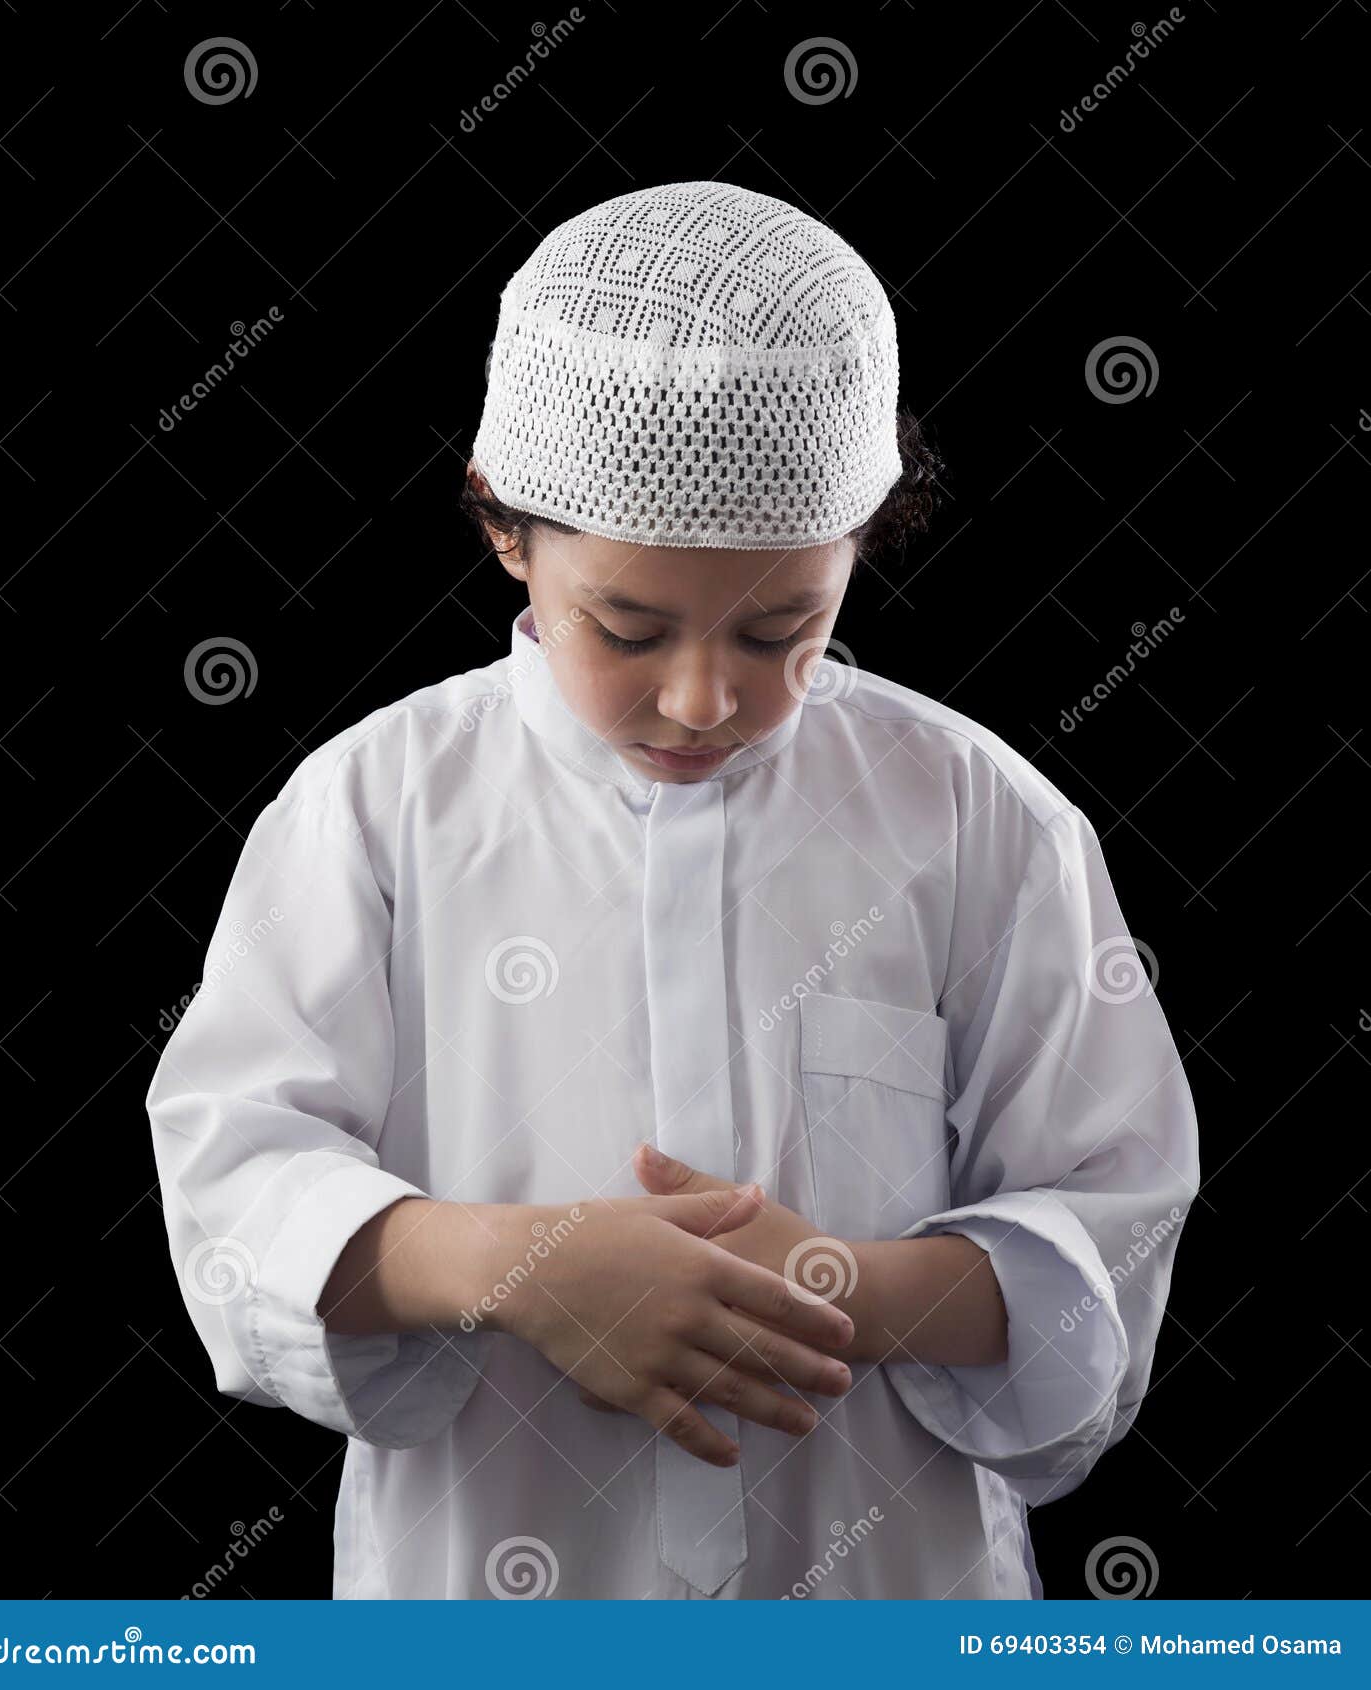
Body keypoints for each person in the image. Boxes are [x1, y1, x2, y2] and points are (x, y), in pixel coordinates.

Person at [145, 179, 1200, 1601]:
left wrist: (840, 1287)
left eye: (781, 630)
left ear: (863, 539)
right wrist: (519, 1269)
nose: (705, 698)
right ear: (506, 530)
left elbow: (1111, 1220)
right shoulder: (374, 808)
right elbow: (235, 1183)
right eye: (629, 630)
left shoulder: (977, 817)